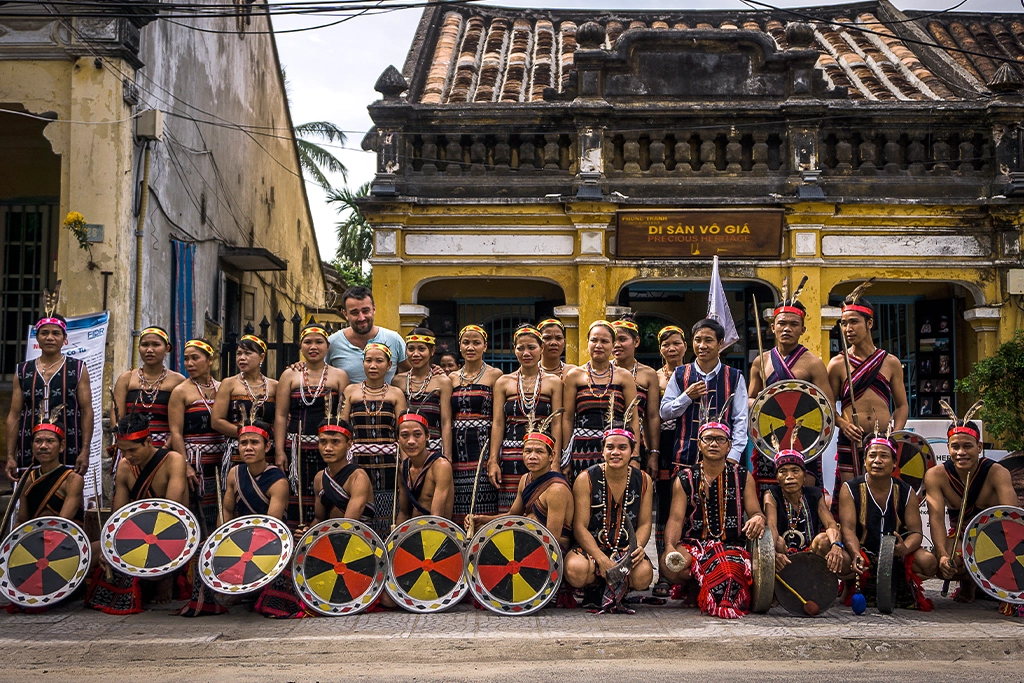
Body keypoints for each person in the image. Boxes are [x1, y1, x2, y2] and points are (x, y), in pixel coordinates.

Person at [659, 419, 766, 619]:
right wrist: (670, 547)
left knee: (729, 573)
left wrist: (758, 519)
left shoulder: (742, 475)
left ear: (729, 445)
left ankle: (712, 594)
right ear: (699, 444)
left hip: (732, 544)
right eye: (708, 439)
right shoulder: (685, 477)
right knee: (670, 566)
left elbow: (756, 512)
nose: (714, 444)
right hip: (695, 544)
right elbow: (675, 519)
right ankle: (695, 586)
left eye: (720, 439)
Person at [85, 413, 189, 614]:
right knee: (89, 554)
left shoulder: (173, 460)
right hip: (137, 533)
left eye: (133, 450)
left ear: (149, 441)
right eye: (123, 452)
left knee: (157, 548)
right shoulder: (125, 466)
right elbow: (119, 515)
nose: (128, 456)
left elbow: (172, 511)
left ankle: (166, 578)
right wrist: (109, 548)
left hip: (169, 534)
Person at [924, 401, 1017, 604]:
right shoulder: (936, 476)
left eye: (967, 446)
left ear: (979, 447)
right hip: (960, 539)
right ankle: (968, 582)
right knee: (942, 560)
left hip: (998, 540)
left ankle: (999, 587)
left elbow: (1013, 519)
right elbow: (937, 519)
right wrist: (941, 555)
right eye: (955, 447)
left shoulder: (997, 473)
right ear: (947, 447)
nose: (961, 452)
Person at [747, 282, 833, 493]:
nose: (787, 328)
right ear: (772, 327)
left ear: (803, 329)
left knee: (805, 491)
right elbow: (749, 401)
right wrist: (766, 402)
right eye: (782, 323)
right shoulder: (761, 361)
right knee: (768, 493)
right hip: (770, 437)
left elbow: (828, 405)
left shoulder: (813, 363)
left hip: (805, 439)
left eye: (794, 324)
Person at [838, 429, 936, 611]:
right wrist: (855, 553)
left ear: (894, 463)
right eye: (872, 455)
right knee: (841, 562)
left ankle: (898, 583)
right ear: (865, 461)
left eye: (884, 456)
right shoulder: (850, 488)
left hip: (897, 554)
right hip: (863, 553)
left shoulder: (907, 491)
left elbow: (916, 532)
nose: (877, 461)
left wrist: (904, 548)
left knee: (928, 562)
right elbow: (848, 529)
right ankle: (851, 583)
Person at [827, 281, 908, 498]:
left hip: (883, 440)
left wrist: (895, 435)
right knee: (851, 496)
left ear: (869, 322)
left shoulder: (889, 362)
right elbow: (826, 406)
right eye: (843, 323)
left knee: (883, 495)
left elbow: (901, 406)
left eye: (854, 322)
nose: (848, 329)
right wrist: (843, 424)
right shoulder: (837, 364)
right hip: (850, 440)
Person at [219, 418, 303, 619]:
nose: (248, 448)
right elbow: (227, 512)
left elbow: (270, 526)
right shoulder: (234, 473)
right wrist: (221, 542)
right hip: (239, 537)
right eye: (243, 443)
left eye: (254, 443)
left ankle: (255, 588)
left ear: (267, 447)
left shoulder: (278, 481)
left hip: (267, 542)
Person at [565, 427, 654, 612]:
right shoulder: (585, 478)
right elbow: (580, 527)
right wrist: (600, 558)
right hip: (591, 548)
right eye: (610, 447)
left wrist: (636, 548)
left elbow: (645, 523)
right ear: (602, 450)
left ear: (632, 451)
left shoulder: (644, 480)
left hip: (624, 547)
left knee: (644, 575)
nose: (616, 452)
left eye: (622, 447)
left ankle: (619, 590)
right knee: (575, 570)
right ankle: (593, 588)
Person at [275, 324, 349, 528]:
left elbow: (343, 417)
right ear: (301, 346)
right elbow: (281, 415)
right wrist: (280, 451)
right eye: (308, 342)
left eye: (319, 342)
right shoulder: (289, 375)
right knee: (296, 496)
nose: (313, 346)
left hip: (328, 448)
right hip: (296, 450)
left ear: (327, 346)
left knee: (327, 494)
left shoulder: (339, 376)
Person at [7, 311, 93, 479]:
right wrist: (10, 455)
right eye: (44, 333)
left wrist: (85, 450)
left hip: (69, 446)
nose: (50, 338)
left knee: (66, 494)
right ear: (37, 338)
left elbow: (86, 411)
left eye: (56, 333)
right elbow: (15, 415)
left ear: (64, 338)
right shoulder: (23, 371)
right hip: (29, 447)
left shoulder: (77, 369)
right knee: (29, 496)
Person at [489, 325, 562, 512]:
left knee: (540, 506)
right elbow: (498, 423)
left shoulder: (553, 382)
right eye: (520, 348)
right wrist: (493, 460)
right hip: (510, 455)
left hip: (542, 454)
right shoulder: (504, 382)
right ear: (514, 350)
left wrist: (555, 460)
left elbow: (557, 422)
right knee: (509, 509)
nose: (526, 353)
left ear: (542, 349)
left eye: (531, 347)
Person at [472, 418, 573, 551]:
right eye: (528, 451)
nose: (532, 456)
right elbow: (513, 515)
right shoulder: (525, 479)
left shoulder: (557, 489)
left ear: (551, 456)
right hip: (528, 539)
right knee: (480, 533)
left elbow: (551, 539)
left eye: (539, 451)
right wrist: (483, 519)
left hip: (550, 550)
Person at [660, 318, 748, 469]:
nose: (702, 346)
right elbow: (664, 412)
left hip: (724, 456)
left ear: (720, 343)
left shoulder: (734, 376)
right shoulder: (680, 374)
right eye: (697, 340)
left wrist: (734, 454)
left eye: (708, 340)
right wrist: (686, 396)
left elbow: (740, 418)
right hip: (685, 454)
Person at [340, 343, 407, 539]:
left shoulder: (396, 394)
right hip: (358, 463)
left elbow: (401, 432)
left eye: (379, 361)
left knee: (388, 509)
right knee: (359, 505)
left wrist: (404, 463)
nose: (373, 365)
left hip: (389, 465)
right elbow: (343, 430)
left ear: (389, 365)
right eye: (368, 360)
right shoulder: (351, 392)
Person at [563, 320, 638, 481]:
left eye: (604, 341)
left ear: (612, 345)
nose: (599, 345)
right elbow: (567, 418)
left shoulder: (624, 376)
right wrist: (565, 458)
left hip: (616, 449)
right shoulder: (574, 376)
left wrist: (635, 456)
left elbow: (633, 418)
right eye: (594, 340)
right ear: (587, 342)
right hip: (582, 449)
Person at [168, 339, 225, 533]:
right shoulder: (181, 391)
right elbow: (175, 431)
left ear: (210, 360)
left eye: (195, 358)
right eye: (186, 359)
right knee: (196, 506)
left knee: (221, 504)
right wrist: (184, 464)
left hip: (220, 458)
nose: (189, 364)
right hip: (195, 459)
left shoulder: (222, 387)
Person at [112, 327, 186, 472]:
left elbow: (179, 425)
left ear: (167, 348)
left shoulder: (178, 381)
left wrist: (163, 450)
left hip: (165, 447)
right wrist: (129, 444)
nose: (149, 350)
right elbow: (117, 417)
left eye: (156, 345)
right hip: (130, 447)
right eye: (145, 345)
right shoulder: (126, 379)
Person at [450, 328, 503, 526]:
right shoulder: (452, 378)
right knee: (458, 502)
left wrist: (493, 457)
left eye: (476, 342)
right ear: (460, 346)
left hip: (483, 447)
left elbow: (498, 419)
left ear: (485, 346)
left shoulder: (495, 375)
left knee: (483, 498)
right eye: (466, 343)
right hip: (458, 450)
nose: (470, 347)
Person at [763, 449, 845, 574]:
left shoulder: (815, 494)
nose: (790, 477)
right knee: (778, 543)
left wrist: (836, 545)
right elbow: (772, 526)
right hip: (785, 554)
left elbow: (830, 524)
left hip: (811, 552)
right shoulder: (771, 495)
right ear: (777, 478)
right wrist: (771, 552)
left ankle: (821, 584)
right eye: (782, 472)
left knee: (824, 540)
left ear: (804, 475)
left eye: (795, 471)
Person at [652, 324, 687, 597]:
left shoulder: (695, 374)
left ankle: (686, 569)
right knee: (664, 505)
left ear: (685, 346)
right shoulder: (654, 378)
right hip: (664, 445)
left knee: (688, 504)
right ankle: (665, 572)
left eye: (676, 343)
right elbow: (652, 416)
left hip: (690, 443)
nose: (671, 349)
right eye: (666, 345)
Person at [211, 334, 278, 467]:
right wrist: (248, 435)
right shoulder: (229, 384)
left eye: (248, 353)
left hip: (267, 451)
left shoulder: (274, 386)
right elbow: (216, 421)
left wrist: (262, 438)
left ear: (262, 357)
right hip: (237, 451)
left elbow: (280, 419)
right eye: (239, 353)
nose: (242, 358)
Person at [325, 286, 409, 384]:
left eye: (365, 311)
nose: (361, 318)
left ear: (374, 309)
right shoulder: (332, 343)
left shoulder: (394, 339)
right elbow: (318, 371)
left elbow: (412, 372)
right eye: (354, 313)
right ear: (345, 314)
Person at [611, 316, 661, 472]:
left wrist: (653, 454)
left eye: (622, 339)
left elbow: (652, 416)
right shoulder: (603, 373)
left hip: (636, 444)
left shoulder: (648, 374)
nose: (616, 345)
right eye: (612, 340)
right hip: (608, 443)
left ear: (636, 341)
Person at [392, 328, 452, 456]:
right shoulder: (398, 381)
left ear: (432, 351)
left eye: (421, 349)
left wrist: (447, 455)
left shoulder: (442, 382)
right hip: (406, 448)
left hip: (433, 447)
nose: (415, 354)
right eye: (411, 349)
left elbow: (446, 422)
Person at [15, 421, 84, 524]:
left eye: (50, 441)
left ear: (62, 446)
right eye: (38, 441)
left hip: (64, 537)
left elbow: (63, 523)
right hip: (33, 537)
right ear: (32, 446)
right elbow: (21, 522)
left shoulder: (72, 480)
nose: (43, 446)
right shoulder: (27, 480)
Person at [312, 416, 375, 522]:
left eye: (335, 442)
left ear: (349, 444)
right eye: (323, 442)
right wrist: (307, 534)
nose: (328, 448)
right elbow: (318, 519)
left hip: (356, 536)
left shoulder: (358, 478)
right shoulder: (319, 478)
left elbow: (348, 524)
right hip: (327, 534)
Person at [395, 413, 454, 522]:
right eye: (404, 435)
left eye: (417, 435)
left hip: (437, 533)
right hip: (412, 532)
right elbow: (403, 512)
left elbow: (436, 517)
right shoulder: (404, 467)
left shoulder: (440, 466)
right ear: (398, 439)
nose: (411, 441)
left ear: (427, 436)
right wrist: (395, 538)